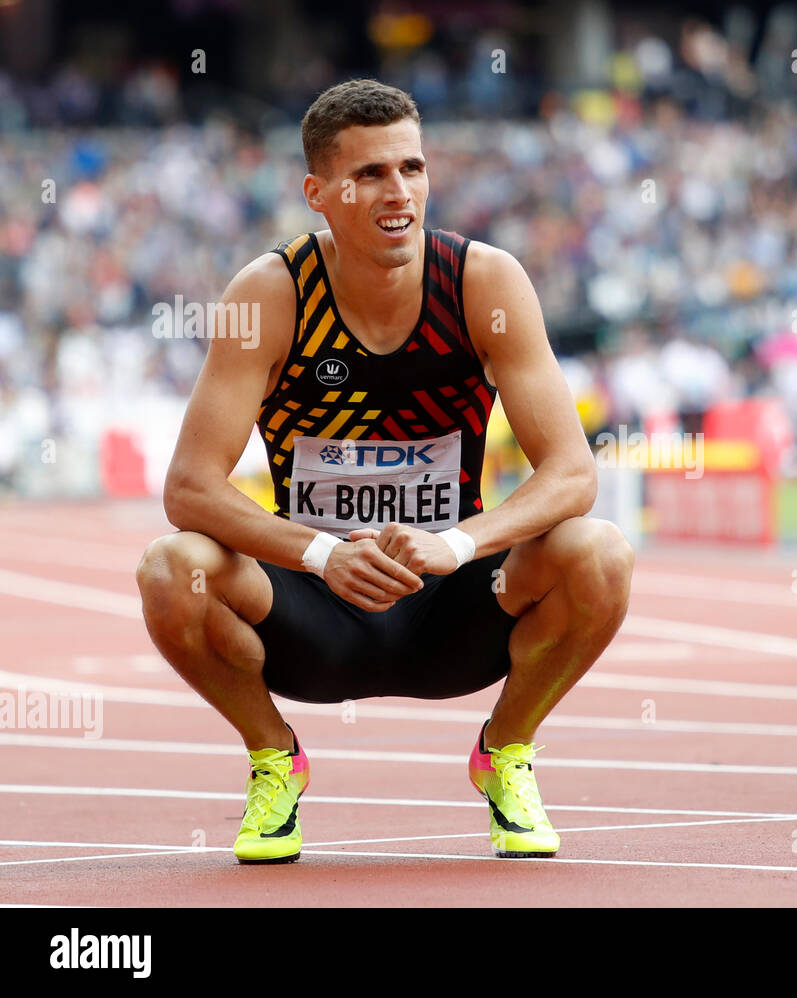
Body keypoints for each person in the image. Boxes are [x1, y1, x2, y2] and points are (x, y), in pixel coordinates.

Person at [134, 79, 635, 863]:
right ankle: (274, 758)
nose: (398, 191)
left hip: (452, 604)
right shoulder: (271, 295)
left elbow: (572, 473)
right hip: (311, 610)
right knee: (171, 570)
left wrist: (458, 545)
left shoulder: (484, 283)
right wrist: (324, 554)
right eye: (369, 174)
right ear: (319, 193)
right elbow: (188, 488)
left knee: (600, 552)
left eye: (412, 167)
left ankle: (505, 752)